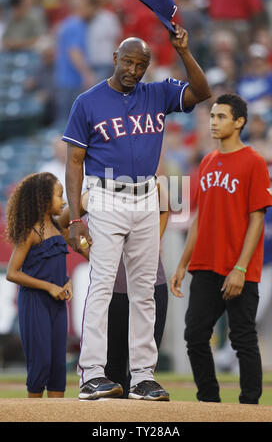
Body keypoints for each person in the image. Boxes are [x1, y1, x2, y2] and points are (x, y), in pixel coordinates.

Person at [62, 23, 211, 401]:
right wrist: (76, 218)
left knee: (144, 291)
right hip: (105, 196)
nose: (132, 69)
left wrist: (182, 51)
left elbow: (202, 91)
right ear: (114, 58)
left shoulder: (157, 93)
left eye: (140, 64)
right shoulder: (88, 101)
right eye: (127, 61)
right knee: (101, 287)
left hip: (147, 196)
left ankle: (142, 375)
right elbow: (74, 161)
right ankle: (92, 373)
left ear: (147, 66)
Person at [171, 93, 272, 404]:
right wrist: (182, 263)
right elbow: (200, 217)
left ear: (239, 122)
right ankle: (209, 403)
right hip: (204, 265)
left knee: (242, 339)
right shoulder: (207, 161)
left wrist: (240, 268)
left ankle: (250, 406)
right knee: (195, 335)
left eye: (222, 117)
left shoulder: (254, 161)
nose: (214, 122)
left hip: (239, 268)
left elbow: (257, 220)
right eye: (212, 117)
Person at [57, 182, 169, 398]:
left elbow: (165, 207)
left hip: (152, 286)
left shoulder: (152, 185)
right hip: (114, 291)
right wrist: (89, 253)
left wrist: (153, 243)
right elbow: (64, 223)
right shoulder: (95, 193)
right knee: (113, 372)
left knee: (143, 373)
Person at [5, 172, 73, 398]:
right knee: (40, 362)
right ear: (42, 199)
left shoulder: (58, 229)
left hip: (57, 304)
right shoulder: (30, 232)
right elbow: (13, 273)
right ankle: (33, 413)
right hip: (35, 303)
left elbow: (59, 269)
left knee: (58, 366)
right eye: (59, 196)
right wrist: (48, 287)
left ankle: (56, 414)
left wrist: (67, 282)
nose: (63, 201)